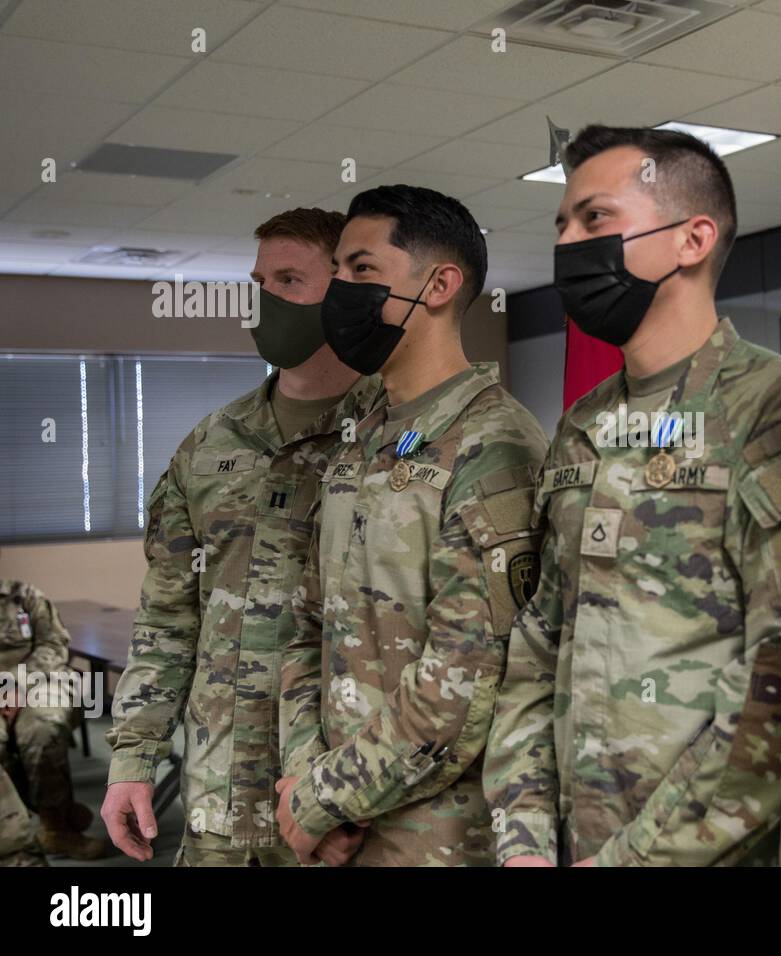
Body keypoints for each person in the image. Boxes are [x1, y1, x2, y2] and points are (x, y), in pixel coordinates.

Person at [485, 126, 781, 867]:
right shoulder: (585, 423)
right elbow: (536, 646)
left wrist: (632, 860)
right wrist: (521, 840)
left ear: (693, 239)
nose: (568, 245)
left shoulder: (776, 410)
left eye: (595, 220)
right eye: (561, 225)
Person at [275, 185, 546, 867]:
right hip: (331, 819)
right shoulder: (358, 435)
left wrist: (321, 800)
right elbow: (308, 622)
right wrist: (308, 777)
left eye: (362, 270)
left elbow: (467, 678)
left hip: (433, 836)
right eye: (337, 270)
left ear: (439, 285)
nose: (339, 289)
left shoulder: (494, 446)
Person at [102, 208, 381, 866]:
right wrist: (133, 760)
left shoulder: (393, 439)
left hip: (339, 801)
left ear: (345, 292)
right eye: (258, 280)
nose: (264, 299)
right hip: (218, 793)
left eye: (289, 279)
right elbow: (169, 614)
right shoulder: (210, 445)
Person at [0, 576, 104, 859]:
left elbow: (53, 644)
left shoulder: (23, 597)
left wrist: (14, 684)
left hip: (39, 681)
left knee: (43, 730)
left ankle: (57, 829)